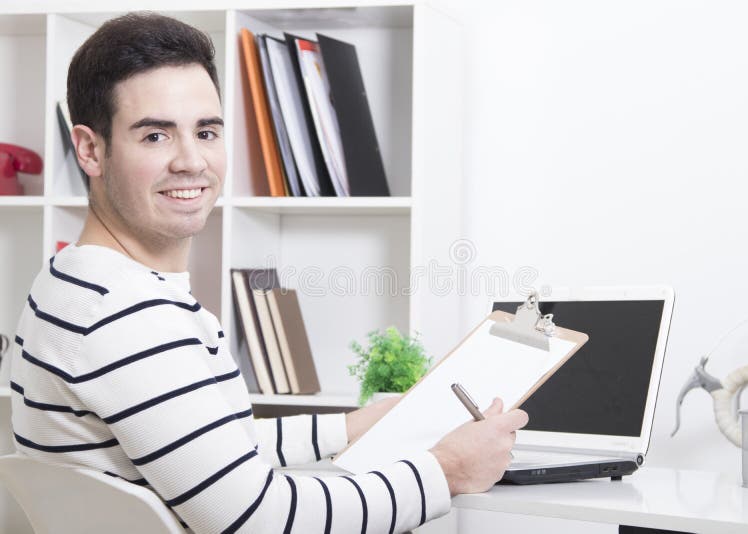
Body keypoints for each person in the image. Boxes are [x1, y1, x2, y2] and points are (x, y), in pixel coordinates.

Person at [8, 12, 528, 533]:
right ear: (90, 149)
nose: (192, 161)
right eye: (155, 136)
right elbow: (259, 518)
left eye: (206, 131)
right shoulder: (127, 315)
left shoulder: (71, 283)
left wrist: (351, 427)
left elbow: (208, 452)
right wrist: (447, 471)